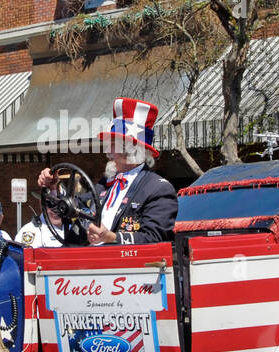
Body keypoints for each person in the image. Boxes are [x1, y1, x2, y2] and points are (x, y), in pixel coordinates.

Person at [37, 97, 178, 246]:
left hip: (123, 267)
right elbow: (71, 207)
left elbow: (155, 239)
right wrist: (53, 189)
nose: (106, 152)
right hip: (86, 261)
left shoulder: (158, 189)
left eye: (112, 145)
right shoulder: (106, 184)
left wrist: (111, 238)